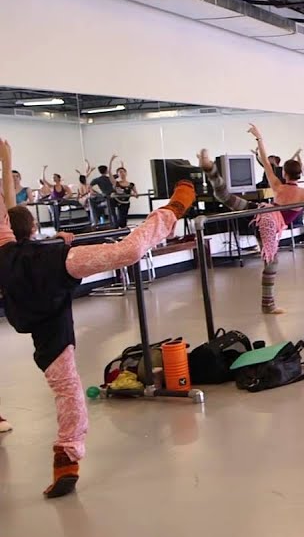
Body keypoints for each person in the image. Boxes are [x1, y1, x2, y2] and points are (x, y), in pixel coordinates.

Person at [0, 137, 195, 497]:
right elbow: (10, 216)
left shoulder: (6, 252)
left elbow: (8, 218)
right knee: (129, 250)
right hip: (60, 269)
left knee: (67, 388)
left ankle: (67, 458)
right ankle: (173, 209)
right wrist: (6, 157)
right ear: (33, 231)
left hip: (40, 324)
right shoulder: (49, 252)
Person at [198, 124, 304, 314]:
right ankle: (268, 305)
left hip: (259, 211)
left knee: (226, 197)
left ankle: (211, 171)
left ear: (284, 173)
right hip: (269, 224)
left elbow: (265, 161)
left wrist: (259, 138)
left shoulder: (278, 185)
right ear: (300, 174)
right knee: (271, 264)